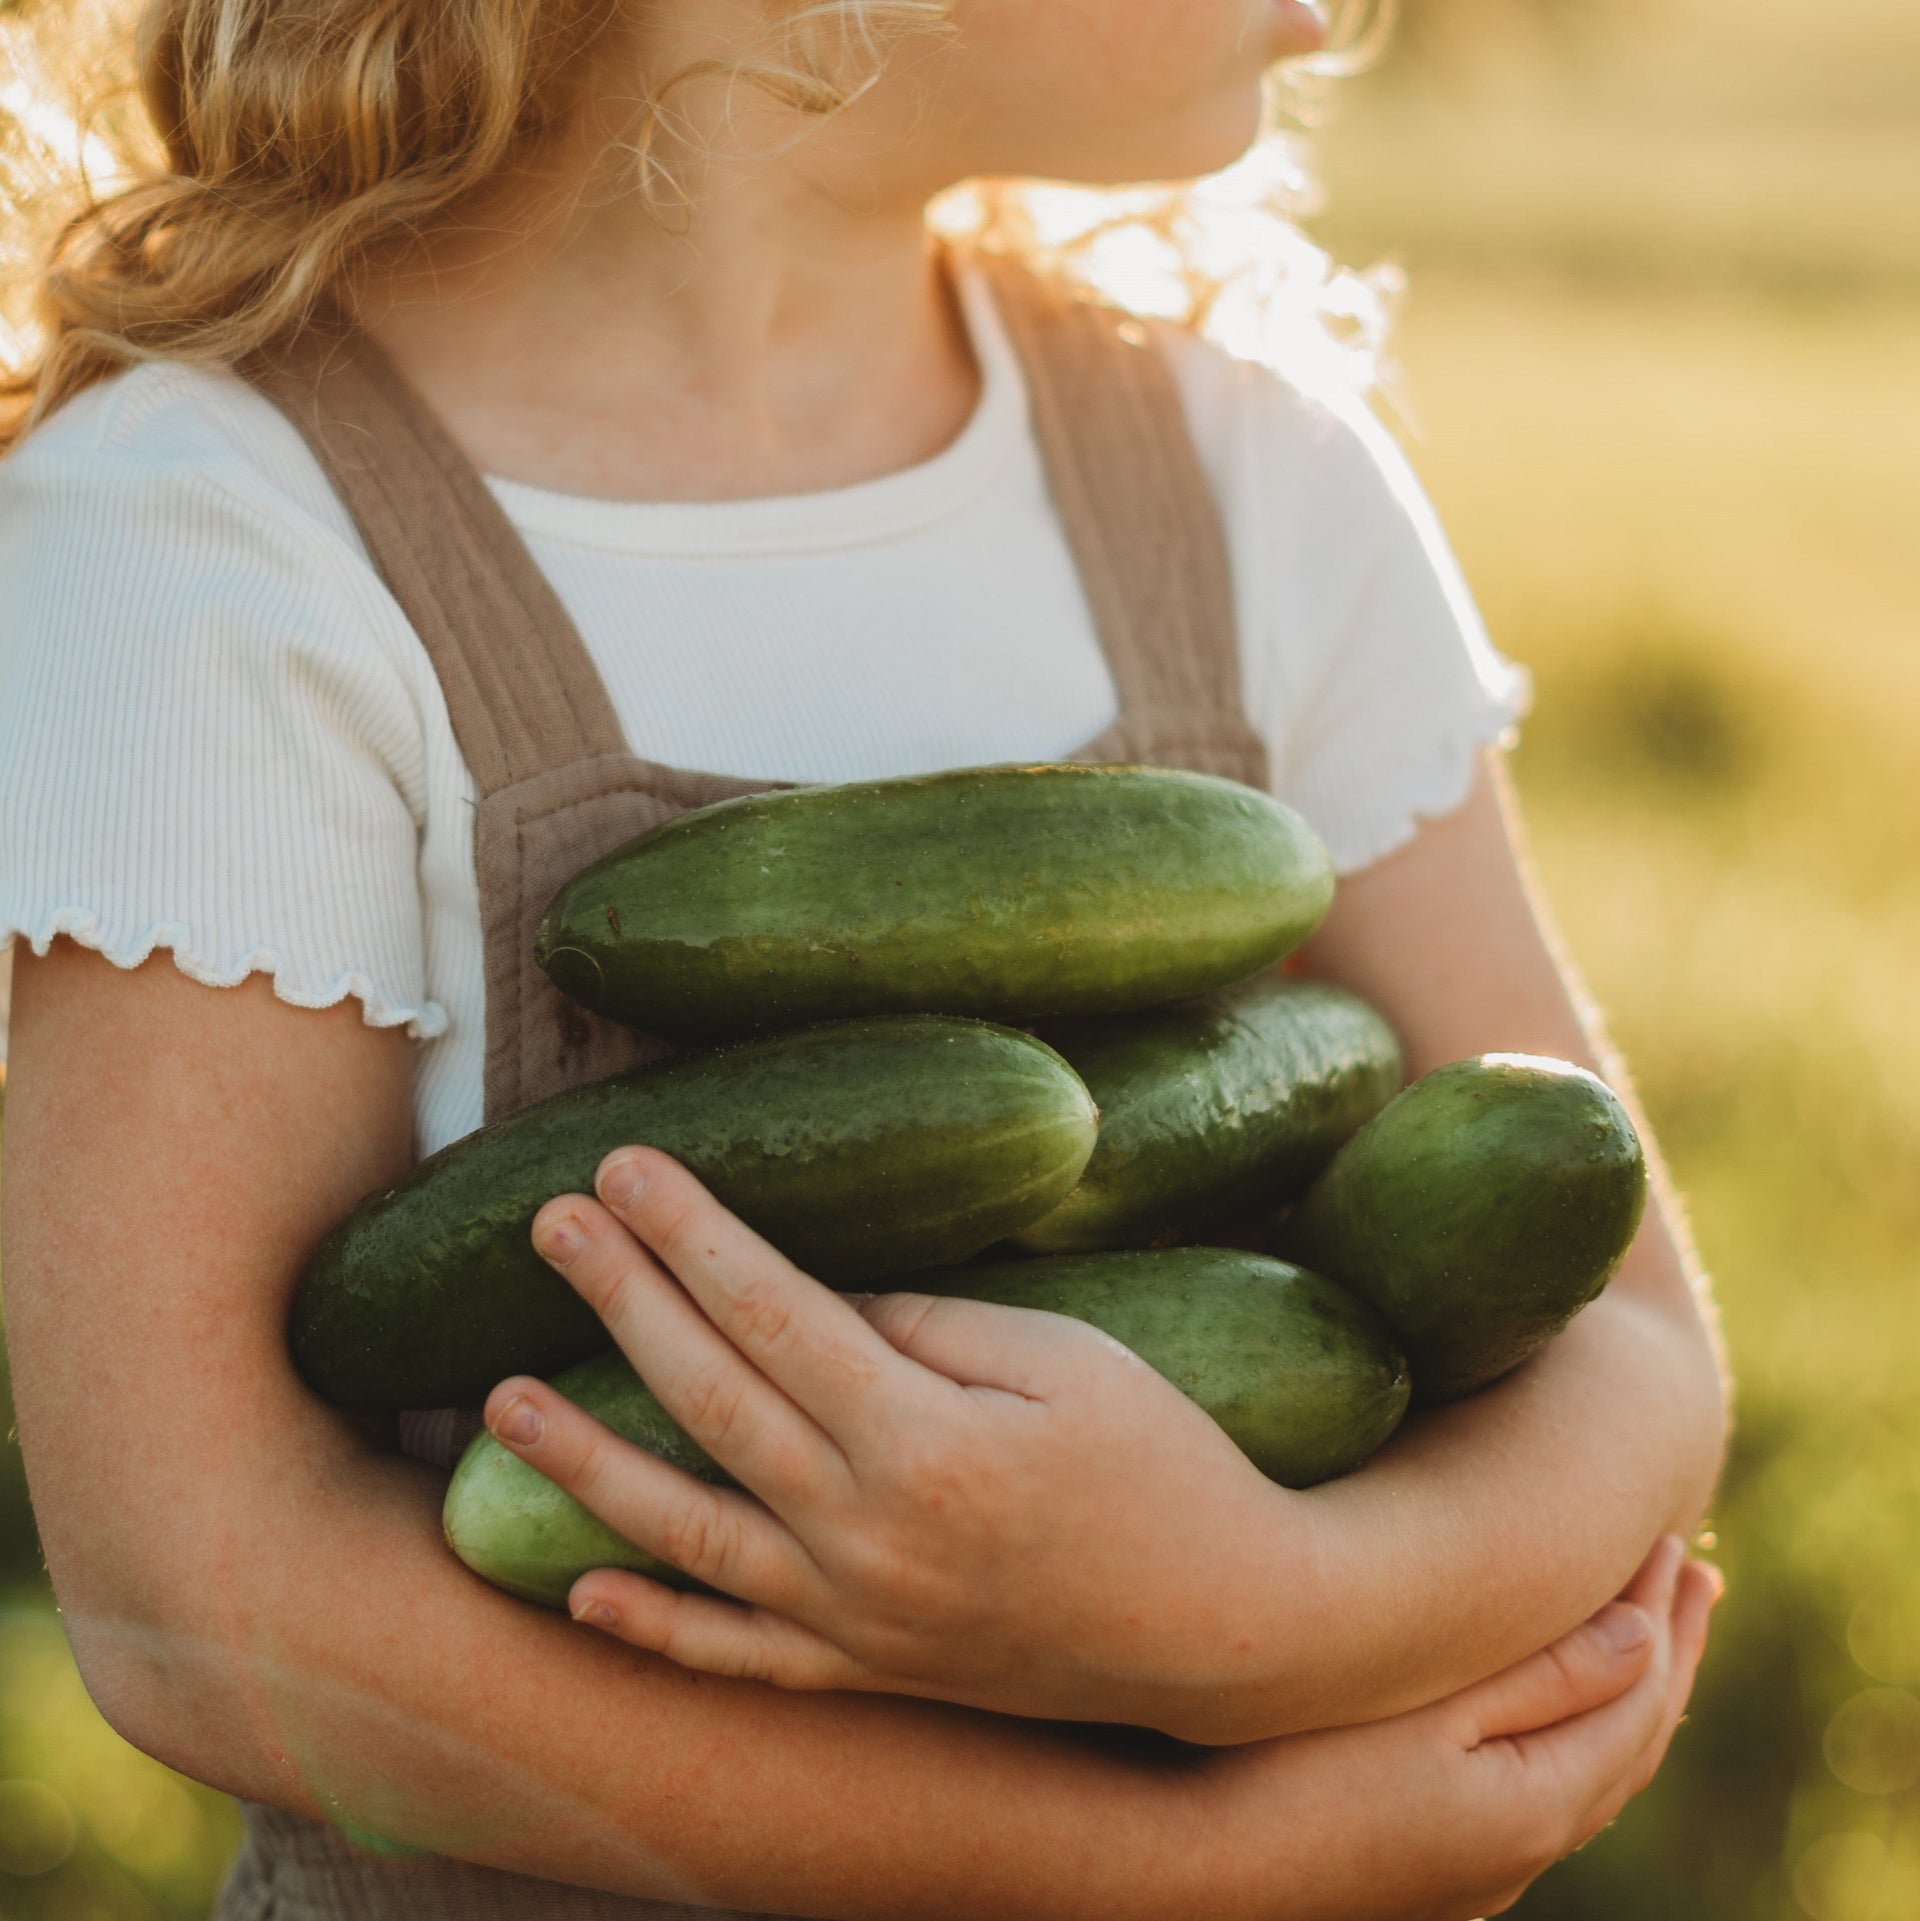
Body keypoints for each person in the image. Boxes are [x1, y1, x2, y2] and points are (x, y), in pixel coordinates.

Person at [0, 0, 1727, 1913]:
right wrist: (1179, 1865)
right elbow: (202, 1597)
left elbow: (1634, 1337)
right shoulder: (222, 541)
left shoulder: (1256, 487)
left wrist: (1264, 1613)